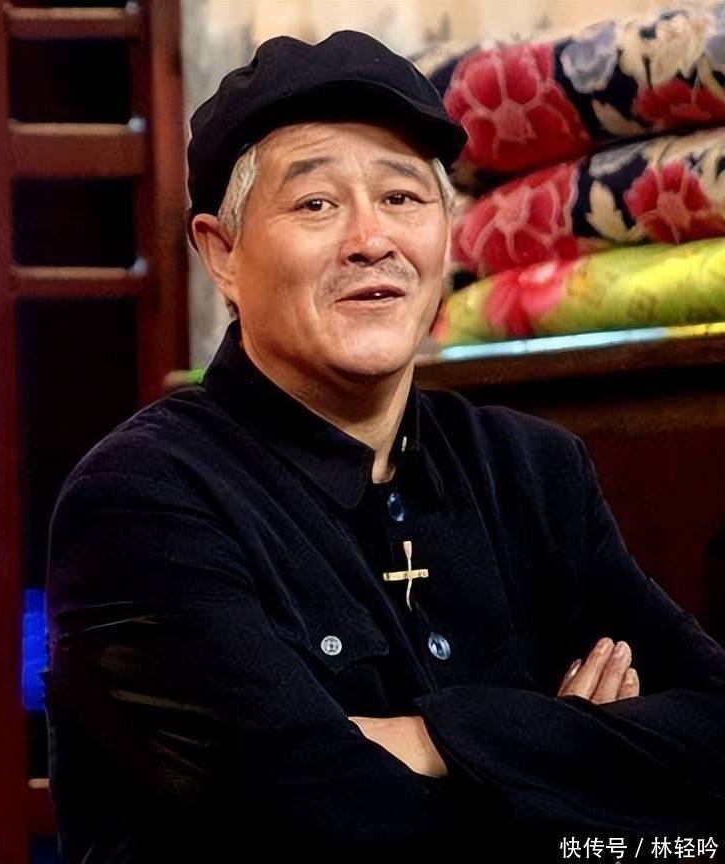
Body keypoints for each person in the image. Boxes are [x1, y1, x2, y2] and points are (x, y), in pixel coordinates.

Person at [44, 30, 725, 862]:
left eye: (403, 198)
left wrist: (433, 737)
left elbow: (715, 725)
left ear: (446, 232)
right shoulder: (141, 498)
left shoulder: (533, 470)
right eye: (316, 205)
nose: (372, 239)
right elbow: (304, 815)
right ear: (222, 254)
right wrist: (575, 746)